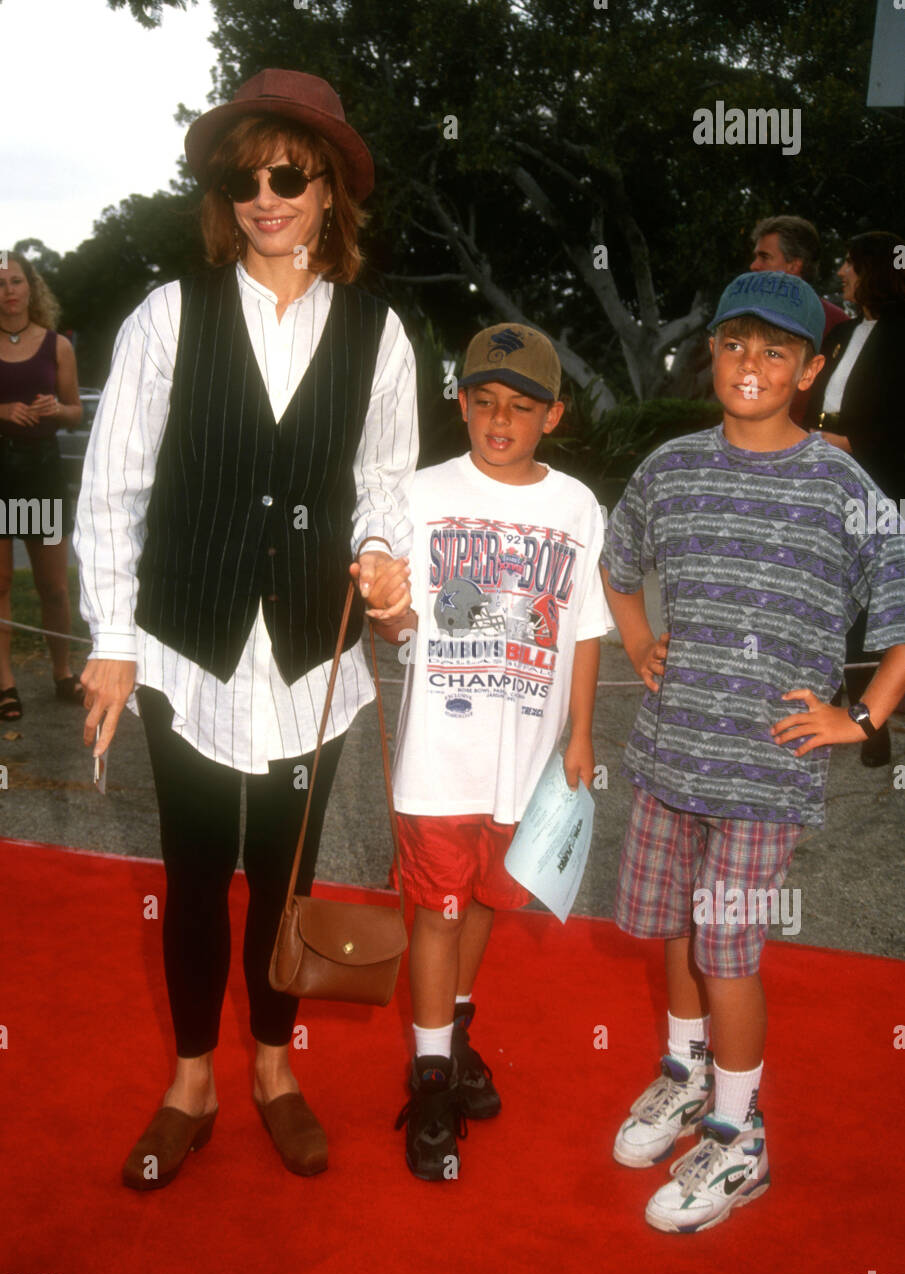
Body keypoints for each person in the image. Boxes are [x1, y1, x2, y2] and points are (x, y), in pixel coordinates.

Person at [73, 70, 417, 1189]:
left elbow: (385, 484)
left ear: (329, 194)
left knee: (283, 881)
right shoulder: (168, 314)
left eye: (287, 175)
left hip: (306, 664)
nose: (264, 197)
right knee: (190, 872)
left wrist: (377, 556)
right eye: (242, 178)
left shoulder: (378, 331)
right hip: (186, 645)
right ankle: (189, 1081)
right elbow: (115, 489)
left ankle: (273, 1068)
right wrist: (113, 639)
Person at [600, 271, 905, 1233]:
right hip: (666, 755)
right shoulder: (669, 468)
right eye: (734, 345)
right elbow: (616, 568)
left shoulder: (845, 487)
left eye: (776, 351)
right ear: (712, 356)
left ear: (810, 370)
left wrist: (856, 719)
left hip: (765, 773)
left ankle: (739, 1138)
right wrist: (642, 640)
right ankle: (682, 1079)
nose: (751, 365)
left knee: (730, 949)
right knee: (682, 932)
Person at [370, 324, 612, 1180]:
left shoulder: (578, 506)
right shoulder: (418, 492)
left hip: (527, 757)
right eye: (482, 404)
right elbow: (395, 612)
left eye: (519, 407)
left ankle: (455, 1030)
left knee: (480, 904)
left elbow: (585, 628)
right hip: (440, 753)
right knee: (435, 912)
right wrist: (391, 612)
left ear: (553, 414)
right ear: (460, 404)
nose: (498, 422)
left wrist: (581, 733)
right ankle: (430, 1080)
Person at [806, 230, 905, 767]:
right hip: (826, 474)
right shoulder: (840, 333)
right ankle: (830, 697)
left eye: (850, 262)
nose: (842, 271)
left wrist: (853, 443)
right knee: (824, 586)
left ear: (875, 270)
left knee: (872, 602)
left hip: (880, 481)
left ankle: (872, 716)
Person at [0, 252, 83, 719]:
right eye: (0, 283)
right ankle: (6, 685)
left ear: (31, 288)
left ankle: (61, 673)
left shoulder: (57, 346)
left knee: (54, 586)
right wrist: (2, 412)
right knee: (1, 583)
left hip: (42, 478)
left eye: (16, 281)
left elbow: (76, 411)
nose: (9, 291)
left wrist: (56, 409)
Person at [749, 215, 847, 426]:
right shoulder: (745, 316)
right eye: (756, 256)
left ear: (794, 266)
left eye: (764, 257)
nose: (754, 265)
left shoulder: (836, 323)